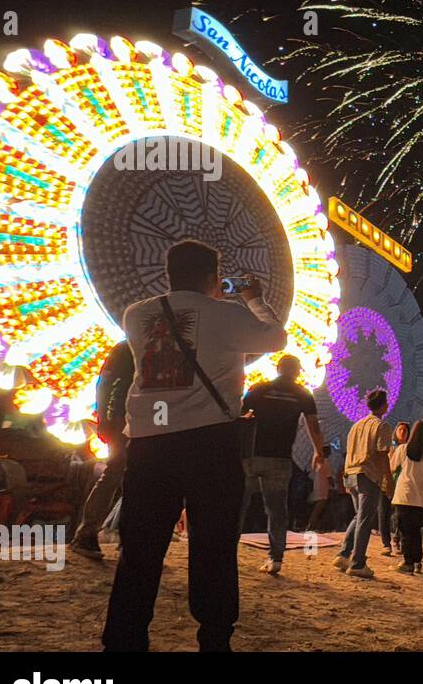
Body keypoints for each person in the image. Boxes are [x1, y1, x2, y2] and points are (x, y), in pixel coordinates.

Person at [102, 240, 287, 651]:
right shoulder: (228, 314)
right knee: (214, 546)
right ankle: (214, 637)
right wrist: (253, 299)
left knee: (140, 548)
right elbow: (276, 338)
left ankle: (124, 637)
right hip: (210, 441)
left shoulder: (135, 315)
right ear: (212, 276)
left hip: (149, 443)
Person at [239, 354, 327, 575]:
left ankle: (226, 550)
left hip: (252, 455)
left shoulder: (259, 388)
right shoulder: (302, 394)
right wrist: (318, 451)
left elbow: (240, 415)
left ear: (277, 368)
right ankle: (275, 558)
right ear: (298, 371)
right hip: (280, 458)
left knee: (240, 505)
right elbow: (313, 425)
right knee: (276, 509)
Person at [70, 341, 134, 559]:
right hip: (123, 420)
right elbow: (104, 385)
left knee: (129, 478)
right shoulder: (127, 348)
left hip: (142, 419)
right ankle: (87, 533)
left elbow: (104, 384)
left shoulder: (134, 345)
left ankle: (128, 538)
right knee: (115, 474)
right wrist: (104, 419)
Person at [334, 390, 393, 579]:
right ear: (384, 405)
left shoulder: (357, 425)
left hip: (350, 473)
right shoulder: (382, 426)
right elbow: (382, 454)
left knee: (359, 516)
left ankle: (343, 554)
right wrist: (388, 480)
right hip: (367, 475)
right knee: (365, 519)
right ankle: (358, 563)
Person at [390, 419, 423, 573]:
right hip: (420, 496)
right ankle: (417, 561)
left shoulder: (403, 449)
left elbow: (392, 466)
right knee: (415, 529)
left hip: (404, 494)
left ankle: (408, 561)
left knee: (404, 529)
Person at [379, 421, 410, 556]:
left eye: (405, 430)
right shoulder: (390, 447)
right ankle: (386, 543)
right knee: (383, 514)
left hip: (402, 485)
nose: (402, 432)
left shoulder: (410, 449)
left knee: (399, 515)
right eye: (400, 430)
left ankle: (398, 540)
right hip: (386, 484)